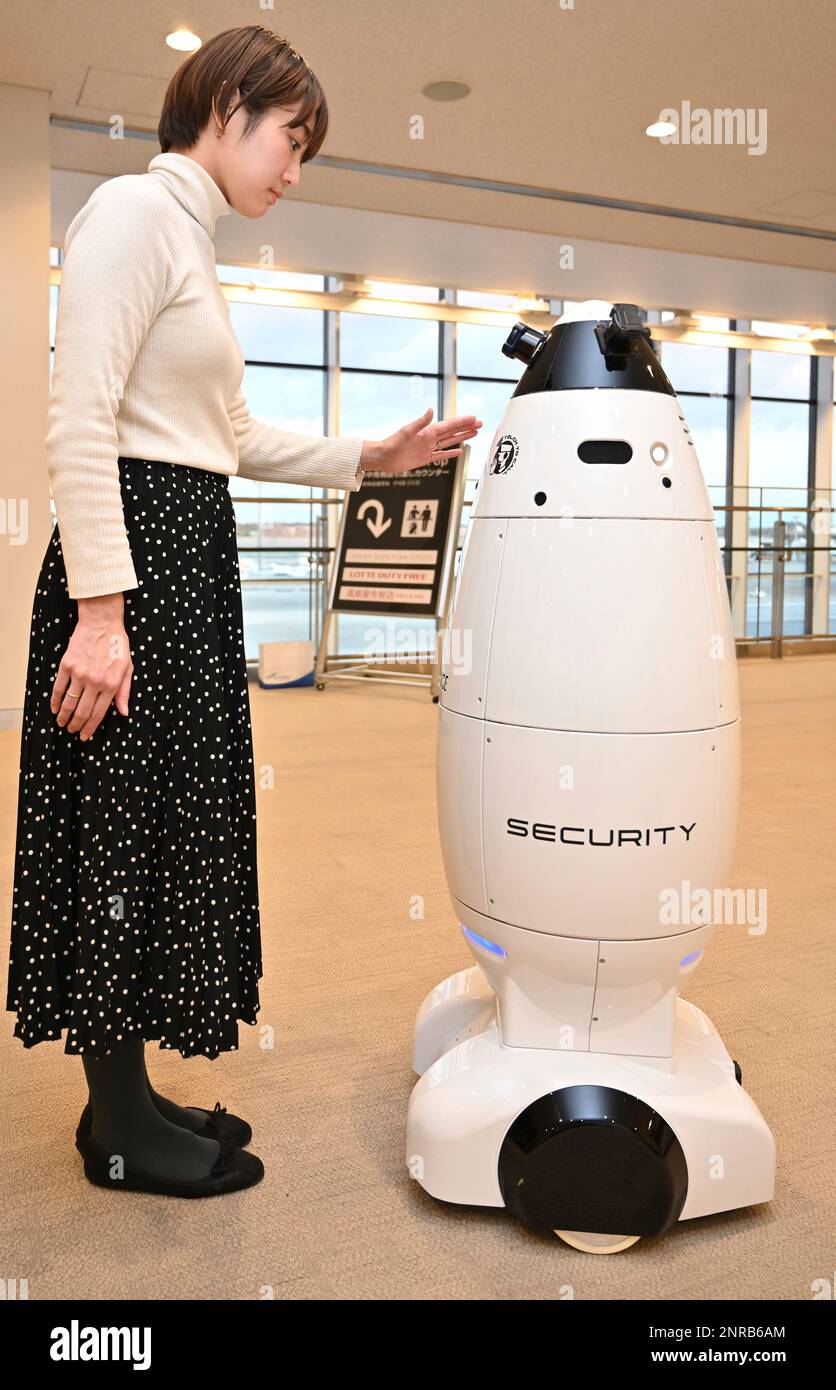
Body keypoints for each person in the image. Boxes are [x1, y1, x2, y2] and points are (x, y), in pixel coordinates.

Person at [5, 23, 482, 1198]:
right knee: (121, 824)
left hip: (179, 553)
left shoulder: (186, 237)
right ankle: (115, 1128)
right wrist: (102, 613)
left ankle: (126, 1093)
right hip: (138, 568)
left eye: (306, 150)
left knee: (158, 825)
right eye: (289, 138)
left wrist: (375, 452)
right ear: (223, 103)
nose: (293, 169)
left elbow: (223, 438)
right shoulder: (131, 212)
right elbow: (80, 418)